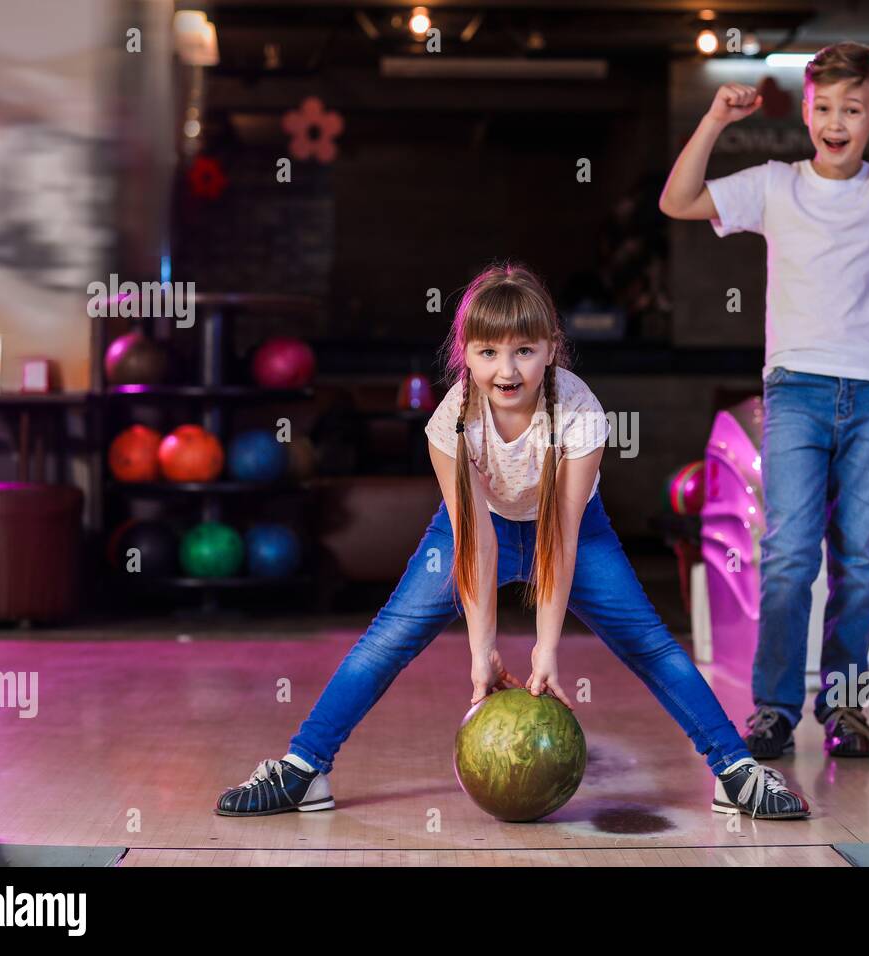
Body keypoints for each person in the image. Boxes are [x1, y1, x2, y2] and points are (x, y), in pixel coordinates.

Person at [215, 263, 809, 819]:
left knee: (648, 643)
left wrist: (546, 652)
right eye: (489, 352)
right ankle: (303, 769)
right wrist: (484, 653)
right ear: (465, 357)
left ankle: (735, 771)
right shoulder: (451, 423)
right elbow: (474, 542)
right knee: (386, 639)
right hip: (476, 528)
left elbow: (560, 535)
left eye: (525, 351)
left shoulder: (578, 412)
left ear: (551, 349)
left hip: (573, 528)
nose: (508, 370)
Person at [659, 41, 869, 758]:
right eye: (823, 107)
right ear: (808, 115)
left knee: (861, 559)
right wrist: (716, 121)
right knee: (788, 554)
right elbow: (679, 199)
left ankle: (844, 709)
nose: (835, 120)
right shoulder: (774, 184)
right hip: (795, 392)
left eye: (852, 108)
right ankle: (775, 709)